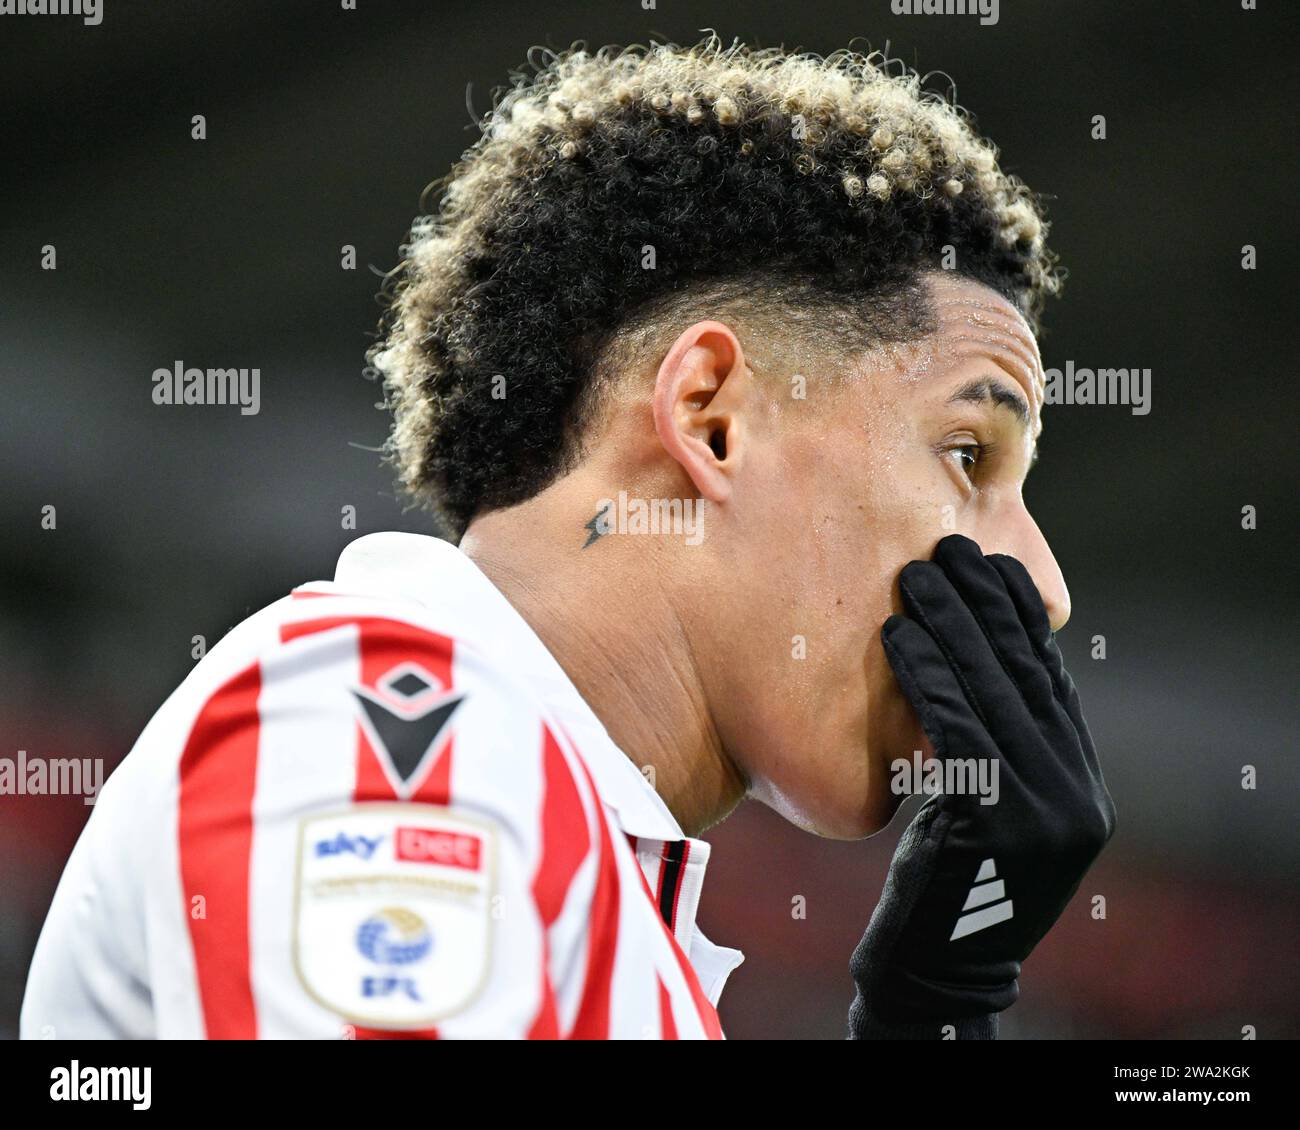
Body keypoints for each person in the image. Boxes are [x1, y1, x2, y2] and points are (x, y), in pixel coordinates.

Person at [21, 36, 1114, 1040]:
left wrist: (931, 1012)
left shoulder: (596, 873)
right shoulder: (394, 720)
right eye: (969, 454)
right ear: (711, 418)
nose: (1045, 584)